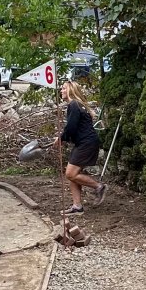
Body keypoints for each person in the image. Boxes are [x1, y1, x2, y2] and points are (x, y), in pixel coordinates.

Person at [55, 81, 106, 215]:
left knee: (70, 174)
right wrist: (63, 137)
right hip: (85, 142)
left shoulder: (73, 105)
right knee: (72, 175)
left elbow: (71, 127)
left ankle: (99, 187)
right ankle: (77, 206)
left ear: (70, 90)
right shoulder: (78, 105)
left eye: (64, 88)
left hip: (86, 143)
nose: (61, 90)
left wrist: (61, 138)